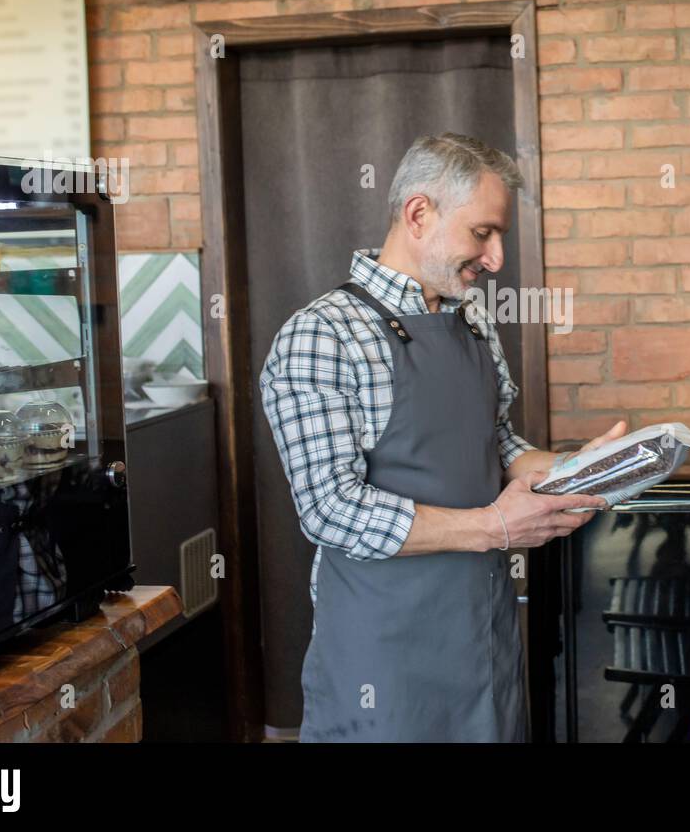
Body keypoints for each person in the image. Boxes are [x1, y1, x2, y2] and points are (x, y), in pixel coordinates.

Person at [260, 132, 626, 742]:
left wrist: (575, 469)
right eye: (483, 233)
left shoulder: (472, 320)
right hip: (383, 657)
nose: (497, 258)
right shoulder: (320, 336)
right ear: (419, 214)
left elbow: (499, 441)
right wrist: (496, 528)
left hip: (483, 640)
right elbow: (329, 509)